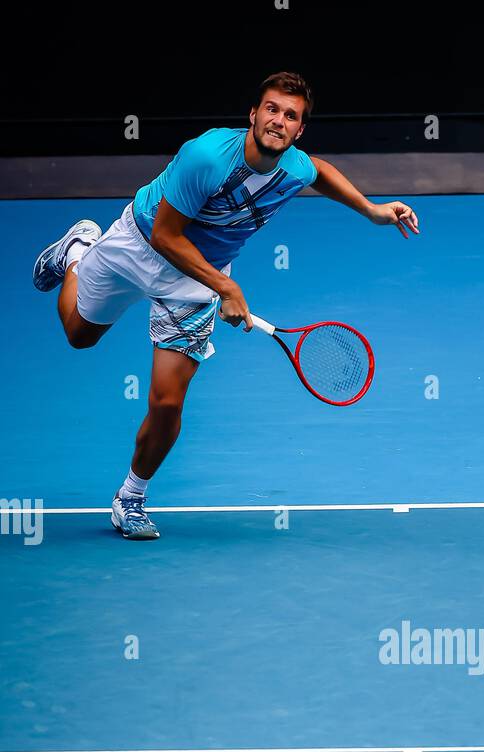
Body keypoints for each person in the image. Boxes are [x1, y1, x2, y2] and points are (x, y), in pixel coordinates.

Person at [32, 71, 419, 540]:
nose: (279, 121)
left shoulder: (293, 166)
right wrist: (228, 290)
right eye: (272, 109)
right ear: (253, 115)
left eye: (291, 116)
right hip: (139, 246)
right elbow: (166, 237)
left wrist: (373, 209)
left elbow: (319, 171)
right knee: (79, 335)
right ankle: (77, 249)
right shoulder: (207, 156)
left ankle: (130, 497)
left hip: (194, 286)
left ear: (299, 130)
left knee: (168, 401)